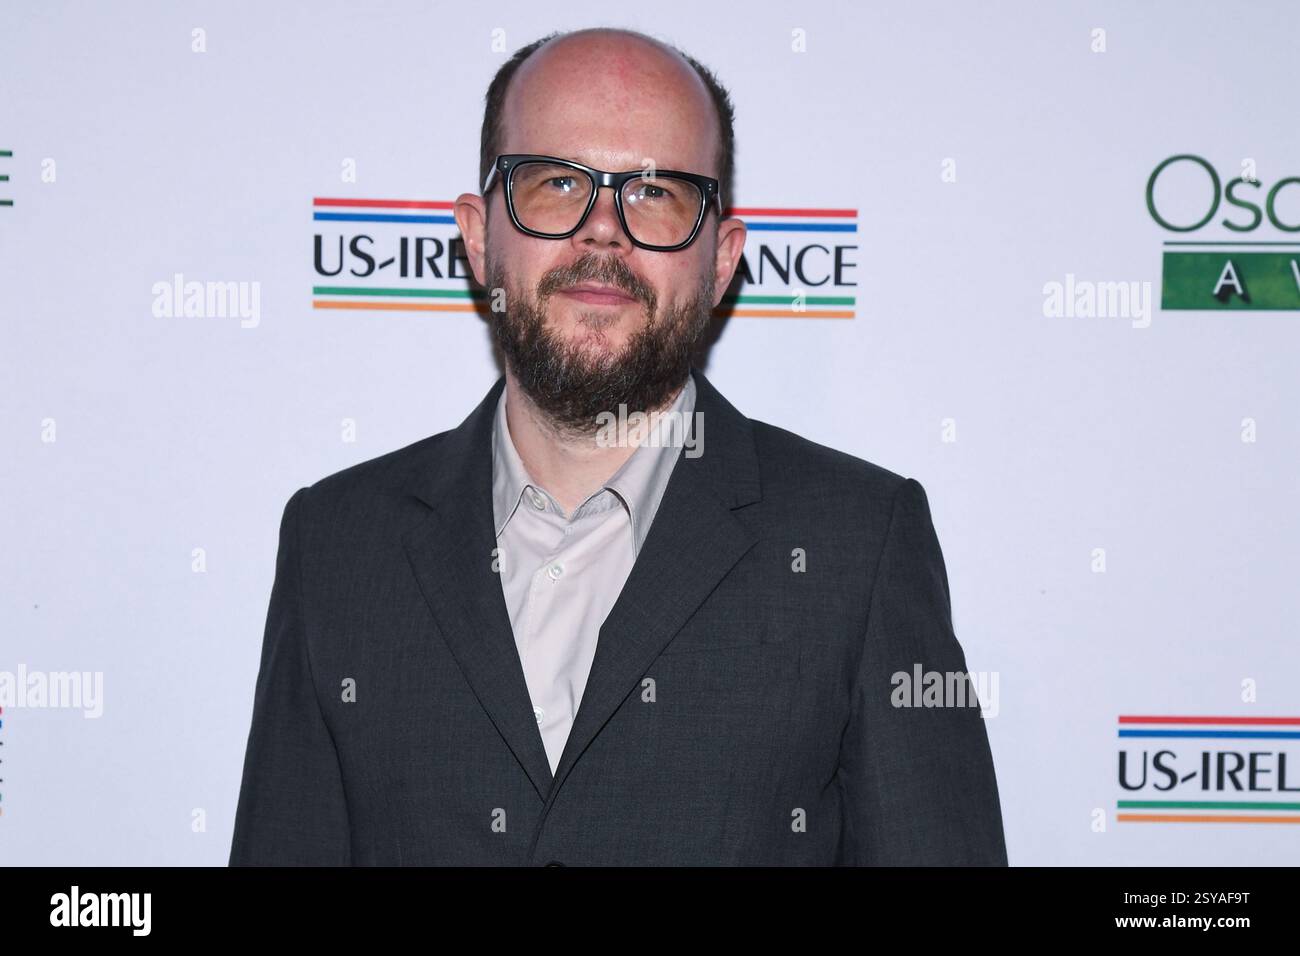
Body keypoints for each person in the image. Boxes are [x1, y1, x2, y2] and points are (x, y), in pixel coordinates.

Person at [229, 26, 1008, 866]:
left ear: (720, 260)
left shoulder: (860, 544)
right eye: (557, 183)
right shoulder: (338, 543)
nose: (604, 232)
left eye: (655, 192)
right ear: (479, 234)